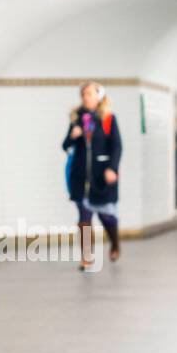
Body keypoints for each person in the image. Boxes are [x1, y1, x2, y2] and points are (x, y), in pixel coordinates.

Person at [63, 81, 122, 268]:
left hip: (101, 176)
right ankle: (87, 257)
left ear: (99, 96)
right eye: (83, 94)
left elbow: (117, 146)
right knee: (84, 217)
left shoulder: (108, 119)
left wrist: (112, 168)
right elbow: (65, 145)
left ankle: (115, 243)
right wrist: (73, 136)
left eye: (89, 94)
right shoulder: (76, 119)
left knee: (107, 217)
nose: (85, 97)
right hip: (81, 178)